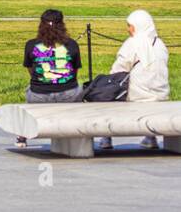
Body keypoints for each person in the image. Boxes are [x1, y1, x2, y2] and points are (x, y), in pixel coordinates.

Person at [96, 10, 170, 151]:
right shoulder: (160, 44)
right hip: (160, 94)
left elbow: (118, 70)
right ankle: (150, 137)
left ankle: (105, 137)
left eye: (130, 26)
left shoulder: (133, 43)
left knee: (106, 92)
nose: (128, 29)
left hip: (137, 95)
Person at [19, 9, 83, 146]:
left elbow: (31, 70)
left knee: (29, 87)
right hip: (68, 94)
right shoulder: (72, 44)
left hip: (39, 95)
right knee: (79, 87)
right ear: (62, 25)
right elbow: (74, 71)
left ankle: (23, 134)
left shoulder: (31, 45)